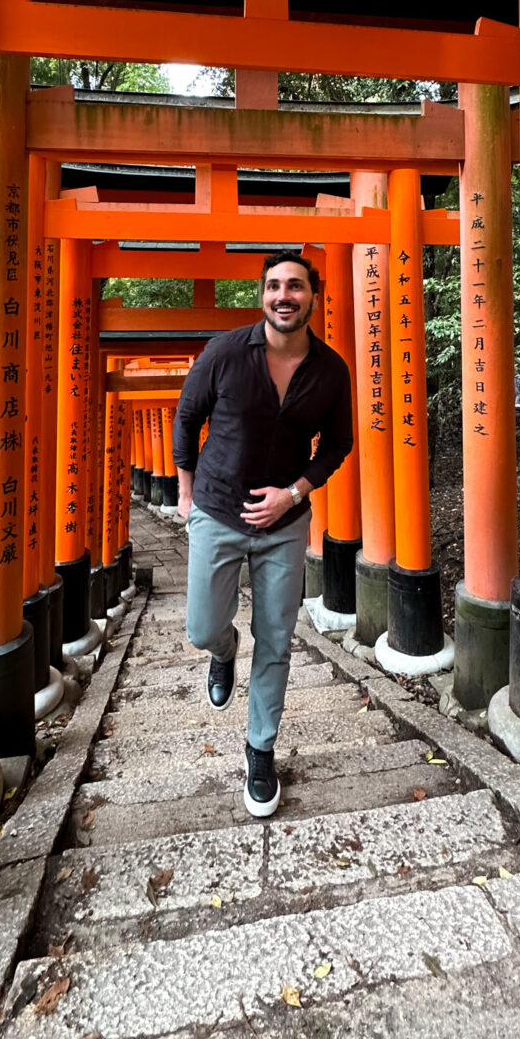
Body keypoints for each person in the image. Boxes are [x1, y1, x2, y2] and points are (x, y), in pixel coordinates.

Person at [173, 251, 353, 817]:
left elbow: (338, 444)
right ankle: (222, 653)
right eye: (274, 286)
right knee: (202, 627)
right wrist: (183, 492)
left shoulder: (330, 371)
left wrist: (293, 494)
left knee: (276, 639)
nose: (284, 295)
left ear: (312, 298)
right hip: (218, 511)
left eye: (295, 287)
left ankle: (260, 750)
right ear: (262, 296)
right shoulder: (226, 353)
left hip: (284, 526)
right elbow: (187, 416)